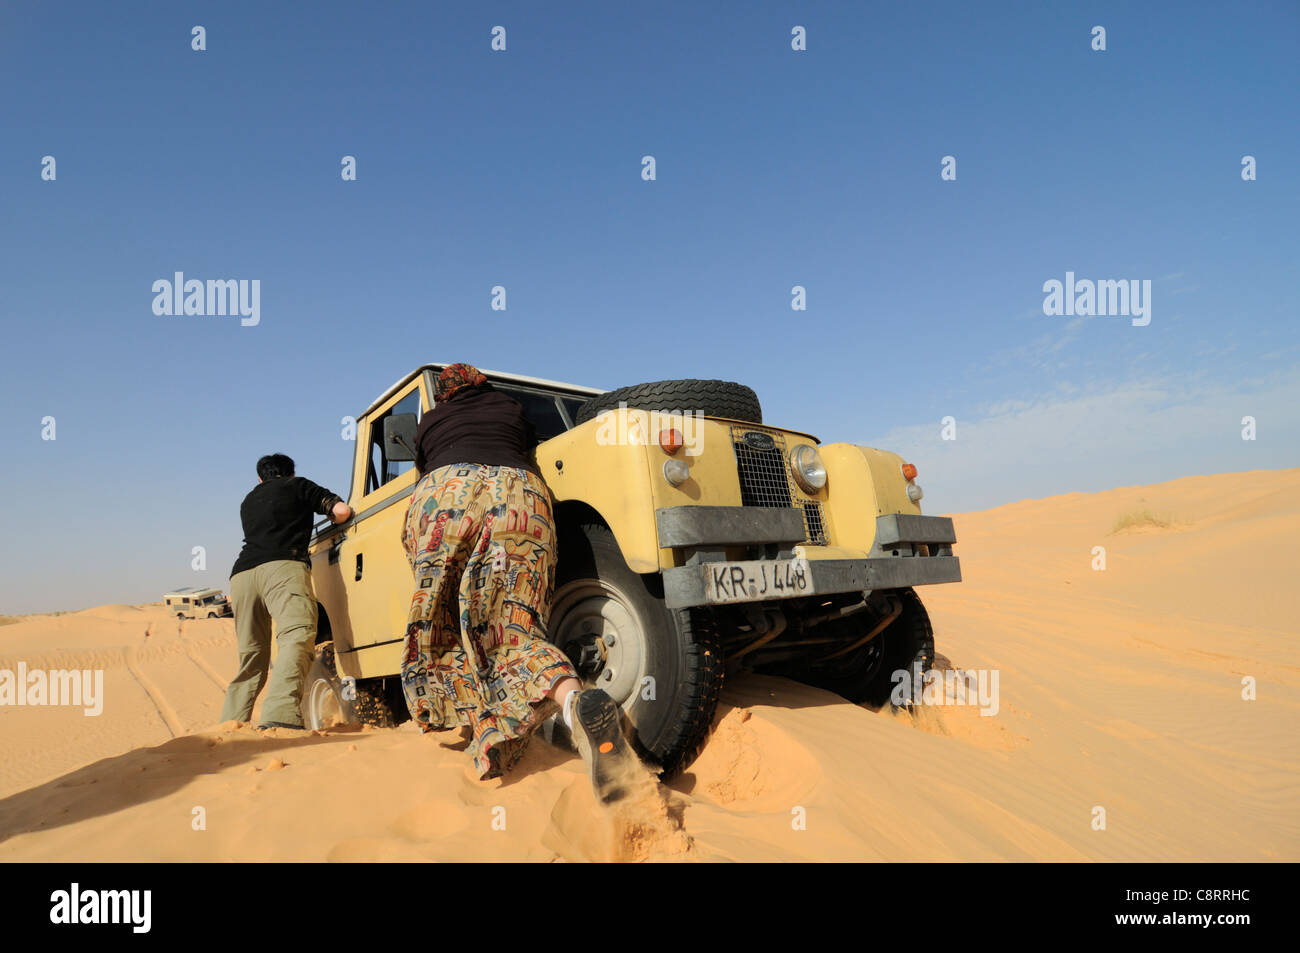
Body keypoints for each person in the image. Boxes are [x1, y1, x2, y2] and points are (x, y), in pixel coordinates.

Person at [400, 363, 633, 802]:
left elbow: (425, 473)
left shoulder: (431, 420)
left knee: (440, 620)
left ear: (445, 395)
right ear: (483, 385)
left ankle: (475, 724)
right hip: (522, 496)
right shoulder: (512, 410)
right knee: (514, 628)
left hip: (446, 497)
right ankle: (573, 703)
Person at [220, 453, 352, 729]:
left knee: (252, 654)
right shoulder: (298, 486)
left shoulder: (248, 500)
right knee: (297, 637)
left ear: (259, 478)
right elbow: (342, 511)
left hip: (242, 576)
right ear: (291, 473)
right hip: (282, 568)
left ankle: (230, 723)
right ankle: (279, 716)